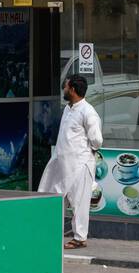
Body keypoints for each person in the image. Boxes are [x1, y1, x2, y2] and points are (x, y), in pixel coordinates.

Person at [37, 74, 103, 249]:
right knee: (55, 197)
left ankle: (80, 238)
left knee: (79, 203)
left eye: (66, 87)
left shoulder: (88, 112)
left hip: (80, 165)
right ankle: (50, 233)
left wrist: (86, 151)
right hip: (61, 163)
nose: (64, 89)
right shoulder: (68, 108)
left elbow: (97, 140)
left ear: (72, 90)